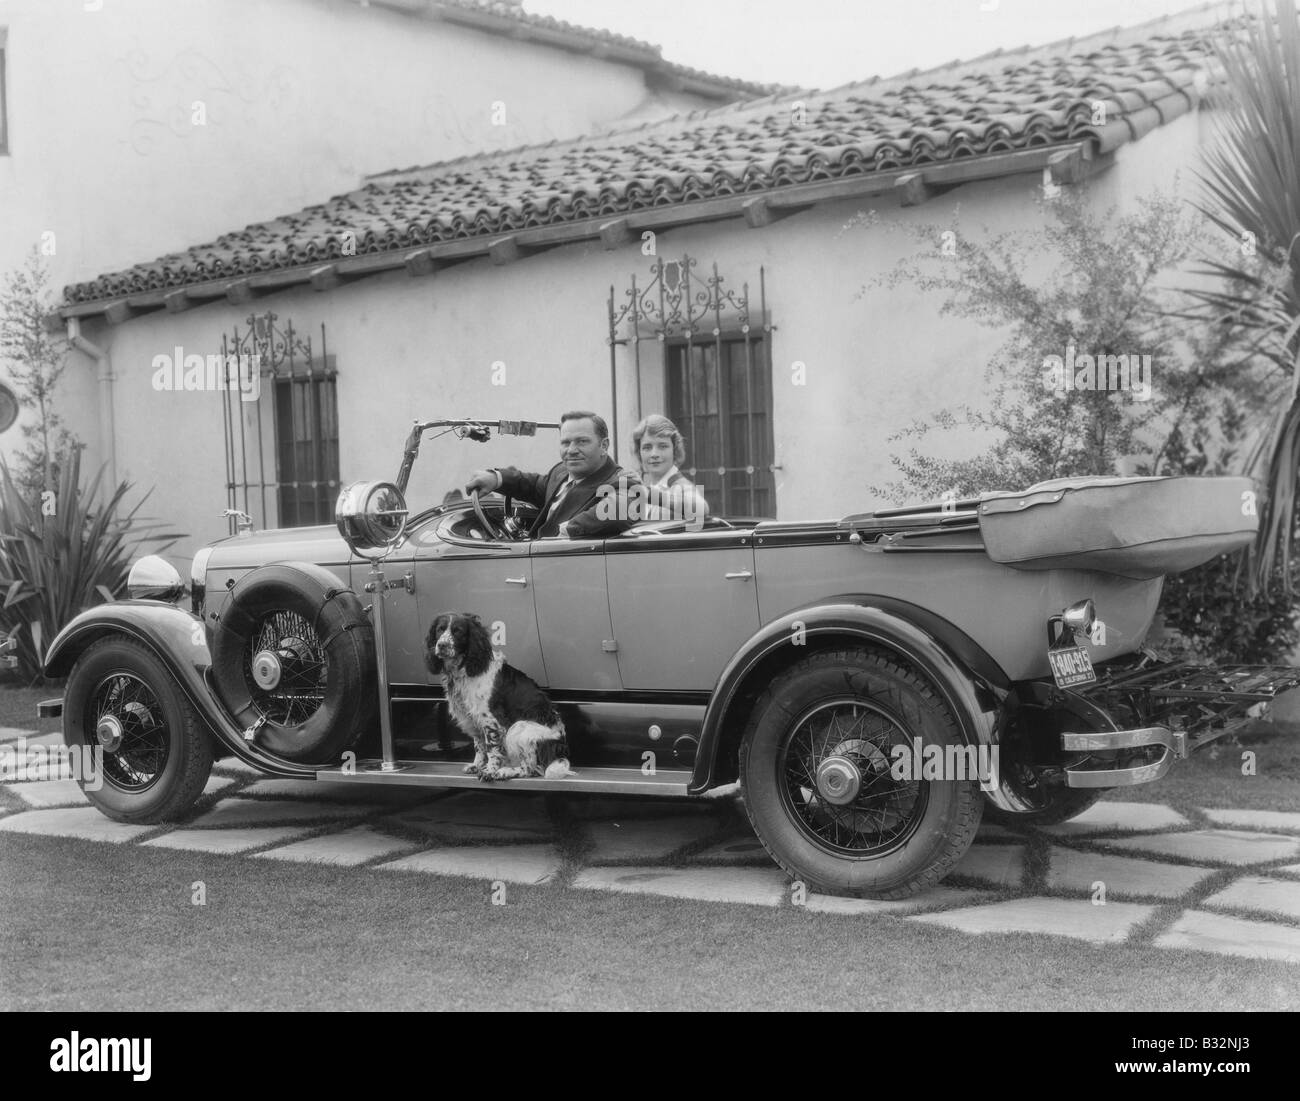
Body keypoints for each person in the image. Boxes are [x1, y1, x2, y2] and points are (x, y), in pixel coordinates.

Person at [465, 411, 641, 538]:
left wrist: (565, 531)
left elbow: (617, 510)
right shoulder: (562, 472)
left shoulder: (622, 481)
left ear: (604, 445)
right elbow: (537, 486)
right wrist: (497, 478)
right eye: (565, 443)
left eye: (582, 441)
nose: (571, 450)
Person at [632, 414, 708, 524]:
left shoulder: (681, 486)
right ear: (639, 453)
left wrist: (651, 495)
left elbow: (702, 508)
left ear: (675, 450)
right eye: (647, 447)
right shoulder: (648, 487)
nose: (654, 454)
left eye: (662, 446)